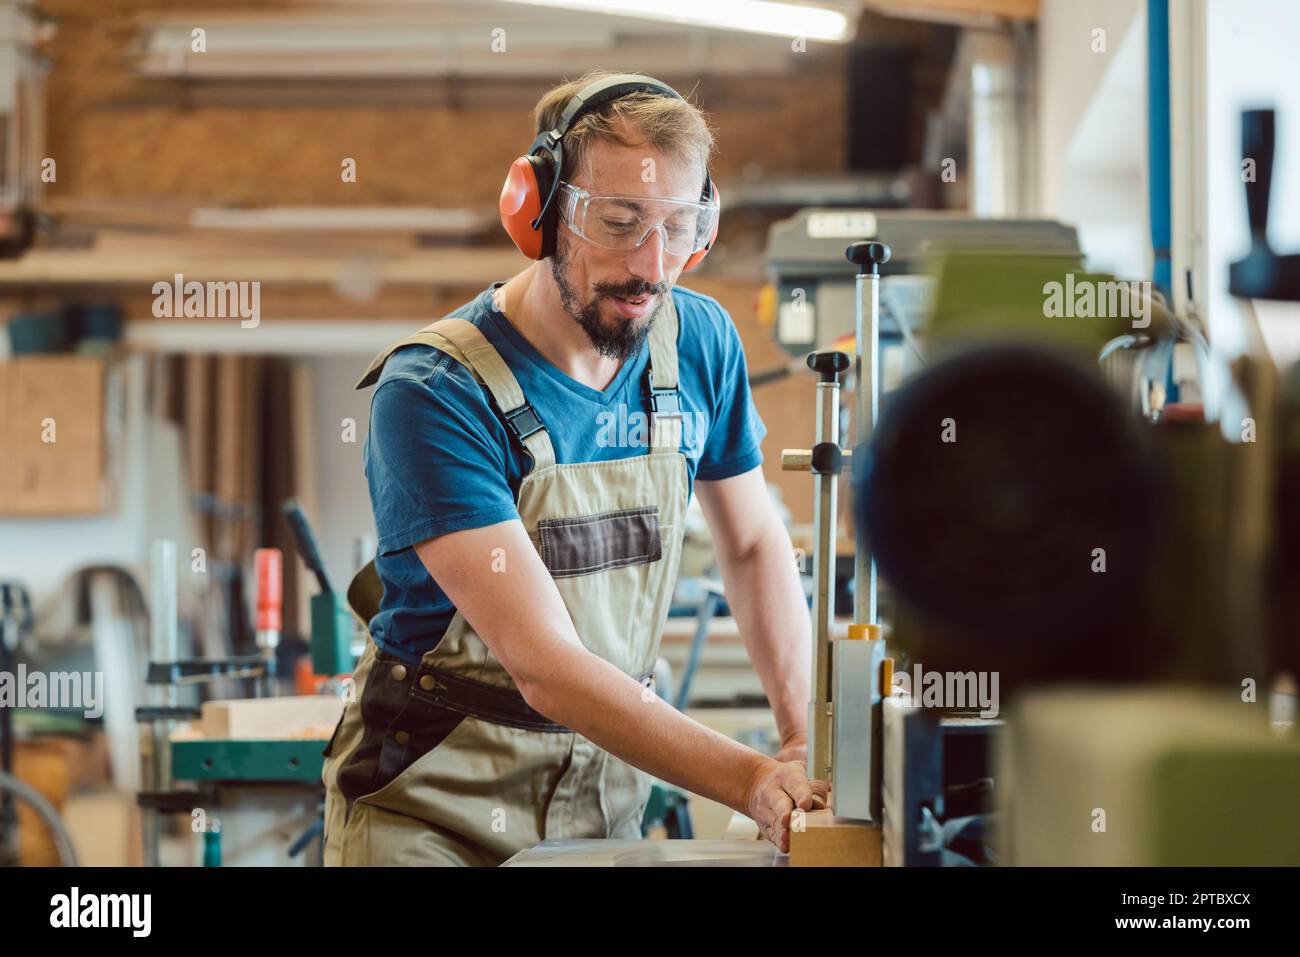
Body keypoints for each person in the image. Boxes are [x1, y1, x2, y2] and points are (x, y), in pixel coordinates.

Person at [322, 70, 826, 866]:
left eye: (679, 226)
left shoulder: (697, 342)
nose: (651, 265)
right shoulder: (434, 392)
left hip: (601, 799)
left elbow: (755, 543)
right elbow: (547, 669)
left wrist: (802, 739)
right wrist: (753, 776)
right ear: (540, 208)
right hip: (433, 808)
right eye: (619, 222)